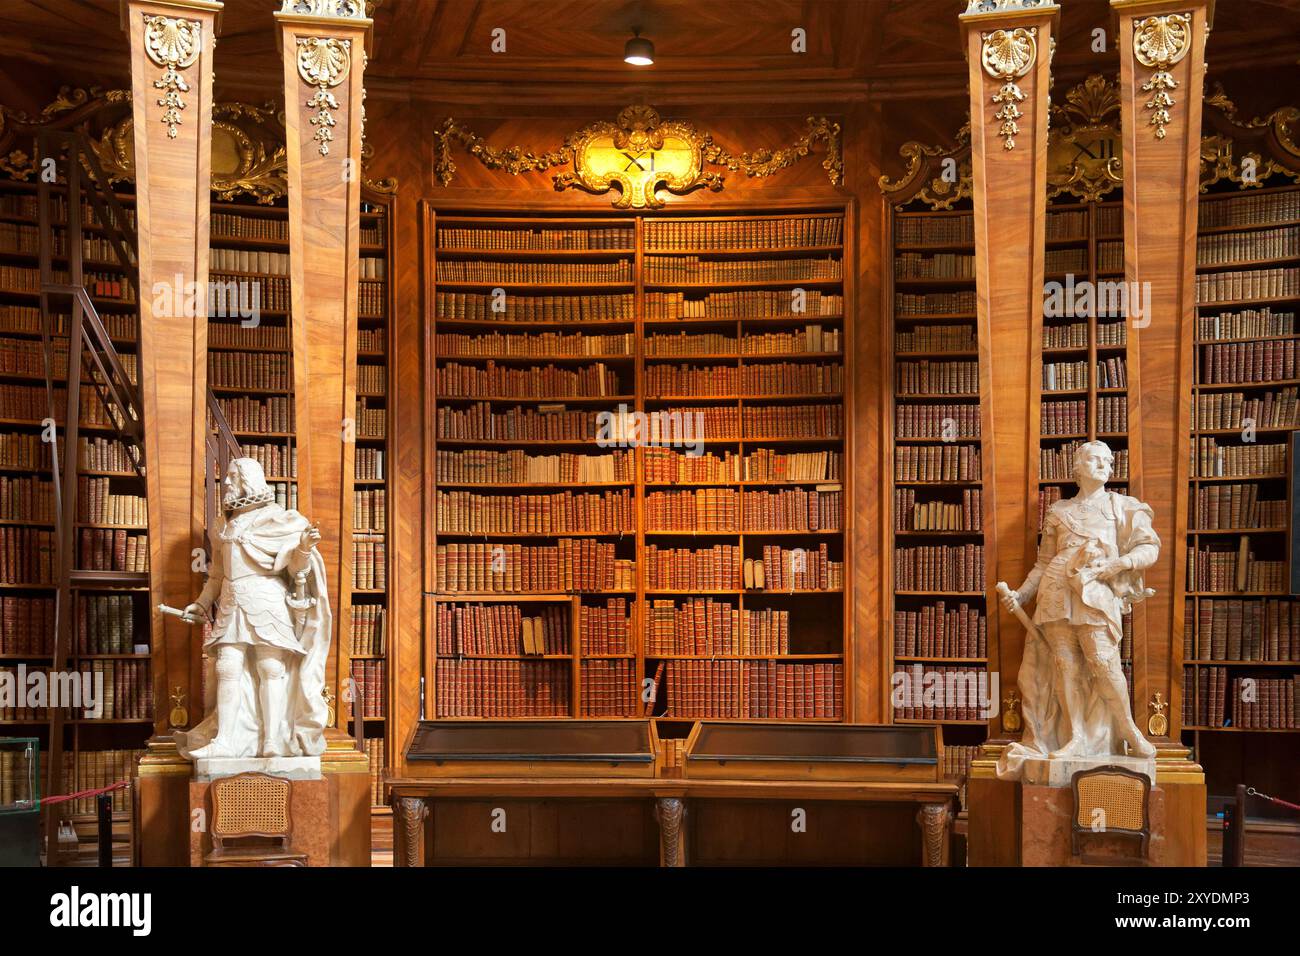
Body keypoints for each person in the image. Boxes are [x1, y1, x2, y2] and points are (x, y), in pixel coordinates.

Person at [998, 440, 1158, 775]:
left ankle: (1129, 729)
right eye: (1095, 460)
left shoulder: (1123, 506)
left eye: (1108, 460)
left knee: (1102, 661)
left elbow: (1149, 549)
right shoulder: (1059, 511)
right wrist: (1022, 594)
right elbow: (1043, 565)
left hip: (1096, 592)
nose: (1103, 465)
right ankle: (1077, 737)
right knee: (1064, 665)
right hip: (1056, 591)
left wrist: (1117, 565)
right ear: (1077, 467)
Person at [174, 457, 331, 759]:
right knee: (227, 666)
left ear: (249, 479)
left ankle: (271, 741)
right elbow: (218, 575)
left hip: (266, 599)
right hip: (232, 602)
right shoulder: (223, 523)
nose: (227, 483)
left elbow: (297, 569)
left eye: (233, 477)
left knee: (270, 667)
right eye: (227, 477)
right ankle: (225, 741)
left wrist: (304, 547)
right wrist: (201, 603)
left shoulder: (280, 519)